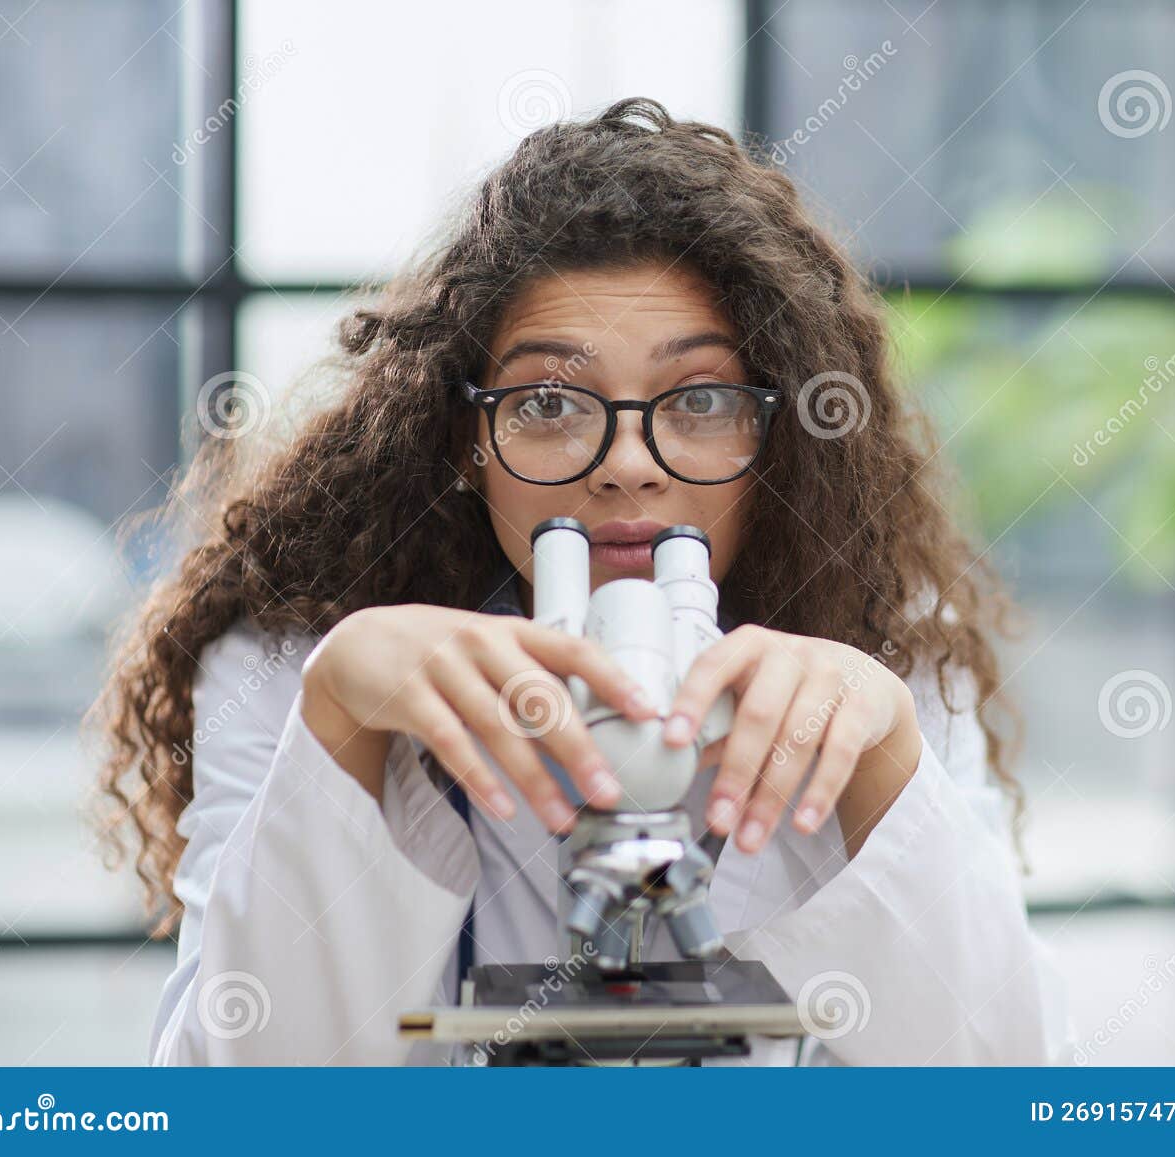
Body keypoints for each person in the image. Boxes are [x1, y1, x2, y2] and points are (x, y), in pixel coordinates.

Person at [90, 97, 1074, 1066]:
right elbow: (232, 1096)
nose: (629, 462)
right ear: (467, 439)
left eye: (698, 399)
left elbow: (1016, 1087)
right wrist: (343, 730)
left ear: (774, 437)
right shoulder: (284, 668)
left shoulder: (893, 670)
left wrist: (884, 769)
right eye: (552, 401)